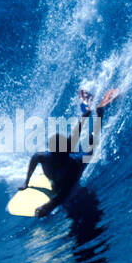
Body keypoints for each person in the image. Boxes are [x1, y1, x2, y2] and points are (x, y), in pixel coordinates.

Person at [19, 88, 109, 217]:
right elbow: (34, 159)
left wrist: (47, 207)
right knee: (73, 138)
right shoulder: (44, 156)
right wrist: (26, 182)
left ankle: (99, 114)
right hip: (66, 156)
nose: (54, 154)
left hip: (80, 160)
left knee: (91, 141)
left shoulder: (71, 169)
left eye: (58, 153)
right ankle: (87, 113)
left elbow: (63, 194)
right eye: (54, 152)